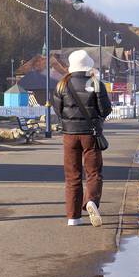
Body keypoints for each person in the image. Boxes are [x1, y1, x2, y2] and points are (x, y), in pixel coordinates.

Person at [53, 49, 112, 227]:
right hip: (90, 134)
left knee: (73, 175)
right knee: (93, 172)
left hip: (69, 135)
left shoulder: (62, 84)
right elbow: (105, 109)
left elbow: (58, 109)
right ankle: (91, 201)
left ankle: (73, 217)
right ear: (88, 65)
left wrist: (68, 122)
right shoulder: (95, 83)